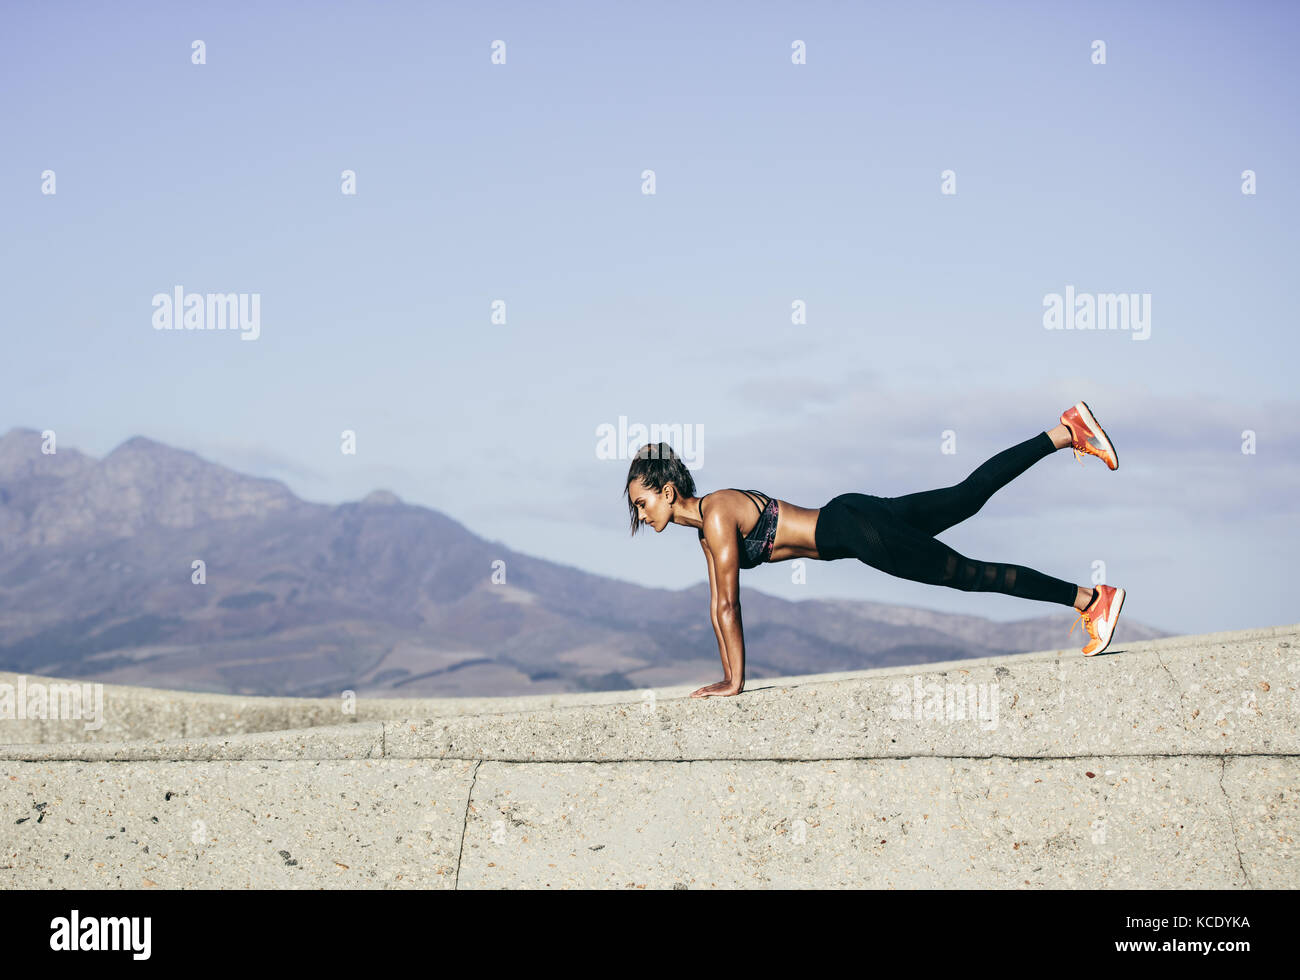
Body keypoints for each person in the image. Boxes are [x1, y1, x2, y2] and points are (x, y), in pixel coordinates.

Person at [624, 401, 1126, 698]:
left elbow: (729, 605)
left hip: (857, 530)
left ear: (667, 491)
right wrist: (727, 677)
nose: (643, 516)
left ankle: (1090, 600)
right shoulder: (707, 528)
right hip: (852, 517)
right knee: (966, 497)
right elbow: (716, 606)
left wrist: (733, 683)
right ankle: (1066, 432)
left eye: (643, 504)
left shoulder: (716, 515)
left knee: (969, 573)